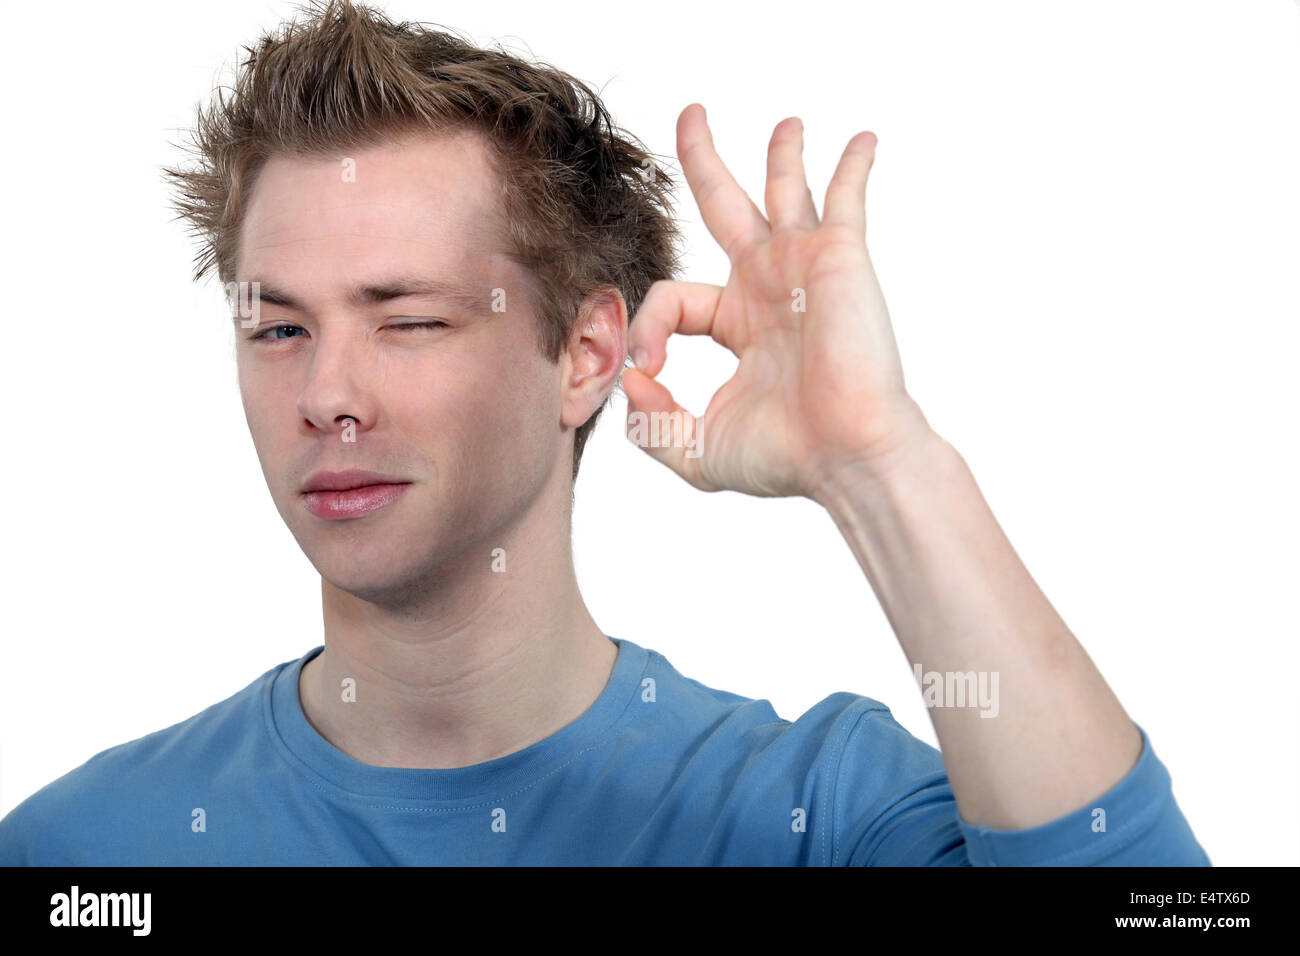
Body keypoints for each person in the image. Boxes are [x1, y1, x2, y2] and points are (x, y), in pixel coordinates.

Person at [0, 0, 1209, 866]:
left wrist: (880, 462)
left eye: (408, 320)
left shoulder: (817, 814)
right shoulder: (82, 852)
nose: (328, 392)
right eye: (277, 330)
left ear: (585, 354)